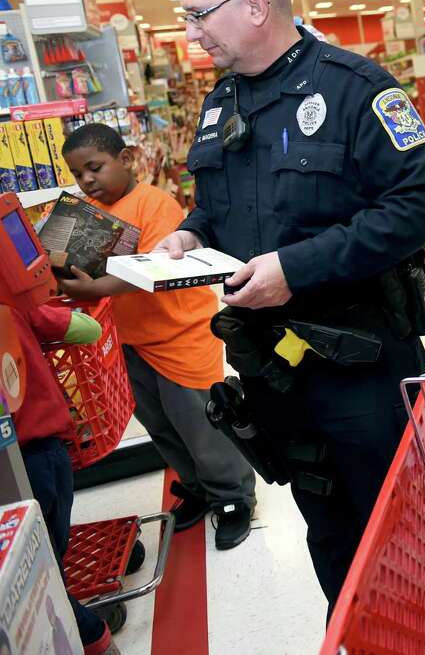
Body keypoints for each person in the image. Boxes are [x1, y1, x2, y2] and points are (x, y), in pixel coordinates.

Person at [156, 0, 425, 607]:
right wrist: (187, 232)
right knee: (327, 524)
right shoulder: (220, 103)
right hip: (273, 367)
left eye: (199, 12)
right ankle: (352, 629)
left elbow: (423, 205)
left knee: (397, 526)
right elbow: (218, 205)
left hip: (363, 364)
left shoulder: (358, 90)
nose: (190, 30)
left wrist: (297, 267)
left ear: (254, 6)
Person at [57, 123, 257, 549]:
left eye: (95, 167)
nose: (87, 180)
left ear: (126, 159)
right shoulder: (88, 211)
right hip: (131, 341)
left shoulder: (154, 204)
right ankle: (199, 488)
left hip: (180, 336)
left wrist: (92, 288)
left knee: (202, 424)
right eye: (78, 174)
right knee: (162, 426)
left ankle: (233, 496)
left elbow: (152, 271)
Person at [9, 302, 120, 655]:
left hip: (19, 468)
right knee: (49, 556)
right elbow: (87, 329)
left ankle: (91, 635)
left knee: (39, 573)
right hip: (50, 453)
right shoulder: (15, 306)